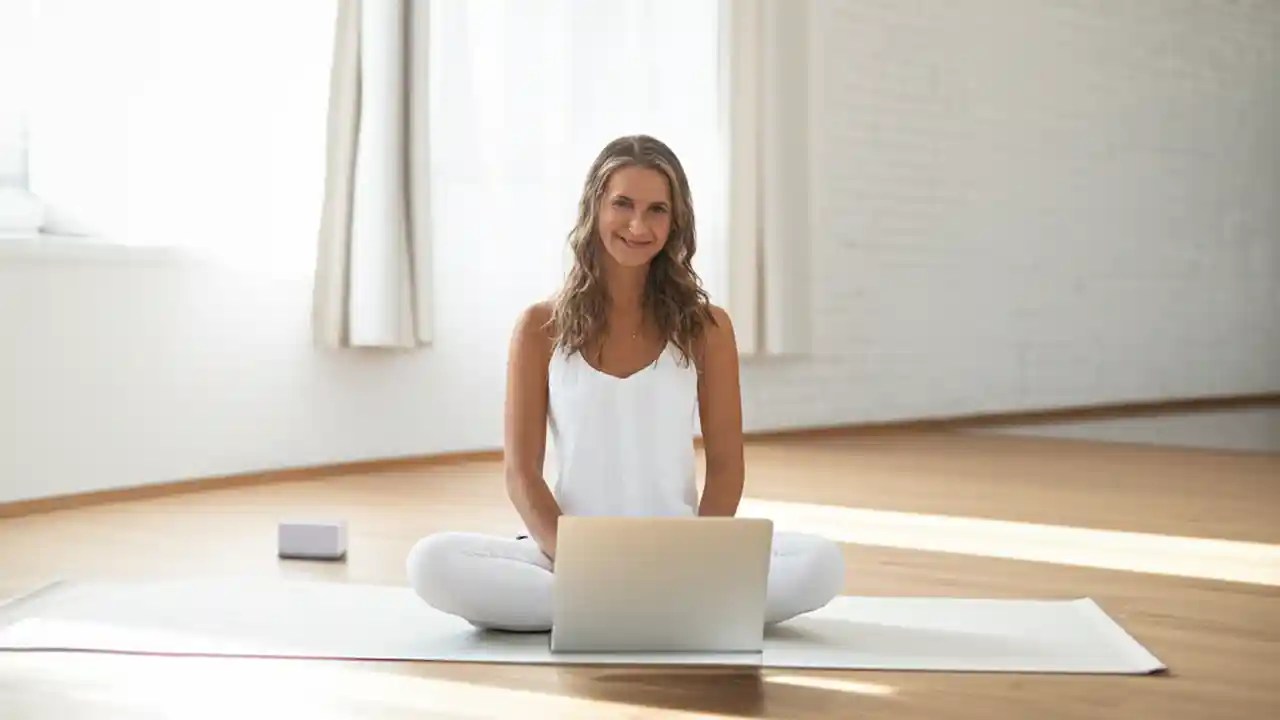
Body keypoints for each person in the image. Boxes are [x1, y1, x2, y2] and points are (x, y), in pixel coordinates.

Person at [406, 135, 844, 632]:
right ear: (595, 206)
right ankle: (656, 610)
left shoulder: (707, 328)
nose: (639, 225)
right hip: (568, 556)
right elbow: (521, 474)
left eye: (657, 210)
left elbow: (726, 469)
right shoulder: (538, 327)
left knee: (820, 563)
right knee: (431, 562)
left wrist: (698, 558)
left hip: (680, 555)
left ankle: (609, 609)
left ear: (675, 222)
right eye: (623, 204)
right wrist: (576, 561)